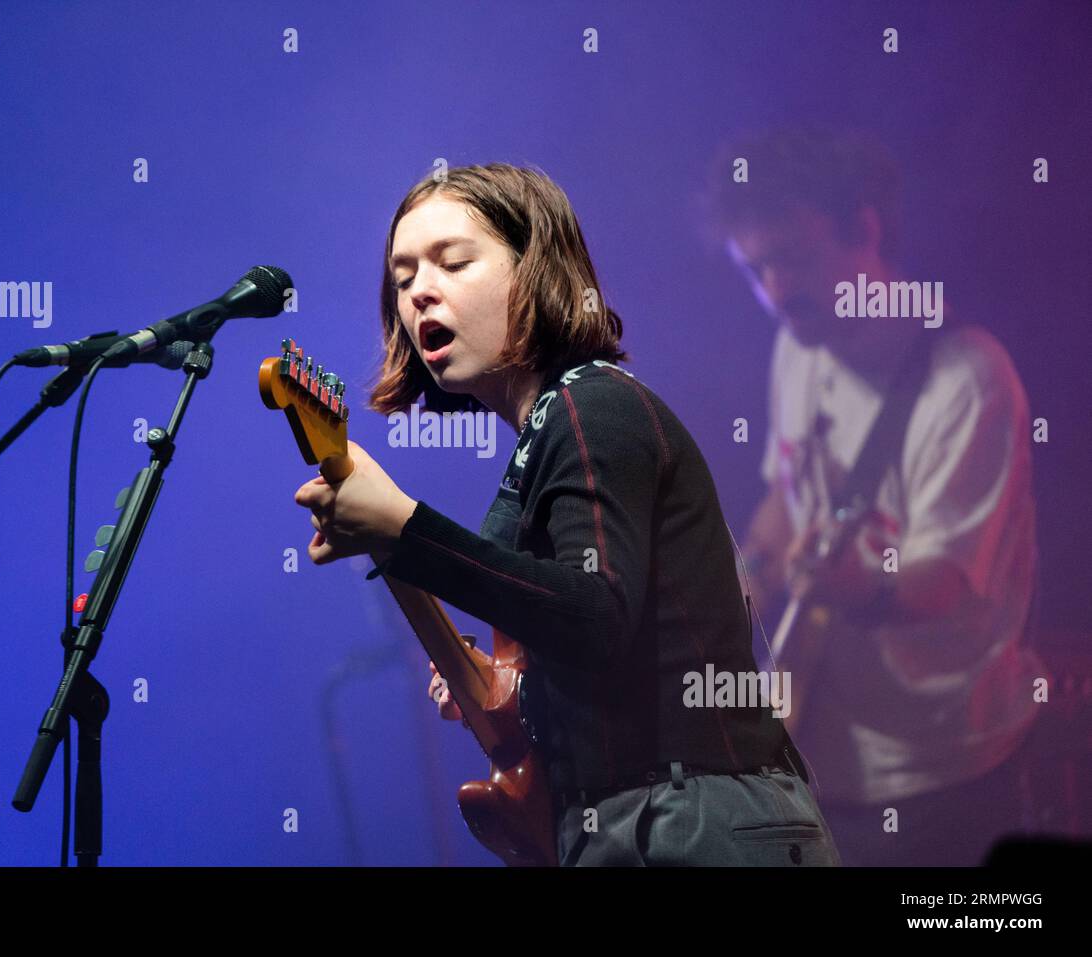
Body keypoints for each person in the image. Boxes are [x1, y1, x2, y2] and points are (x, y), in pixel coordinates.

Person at [293, 162, 840, 866]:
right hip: (632, 823)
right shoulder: (549, 434)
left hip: (690, 822)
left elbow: (597, 617)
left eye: (452, 262)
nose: (420, 290)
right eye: (401, 279)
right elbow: (593, 639)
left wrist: (405, 528)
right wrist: (516, 688)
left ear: (536, 272)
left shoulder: (594, 405)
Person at [701, 128, 1045, 865]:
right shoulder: (798, 344)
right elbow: (787, 497)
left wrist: (859, 583)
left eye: (792, 257)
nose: (775, 291)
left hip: (942, 777)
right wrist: (736, 577)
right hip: (823, 762)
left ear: (866, 227)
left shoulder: (971, 380)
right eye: (756, 268)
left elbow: (945, 583)